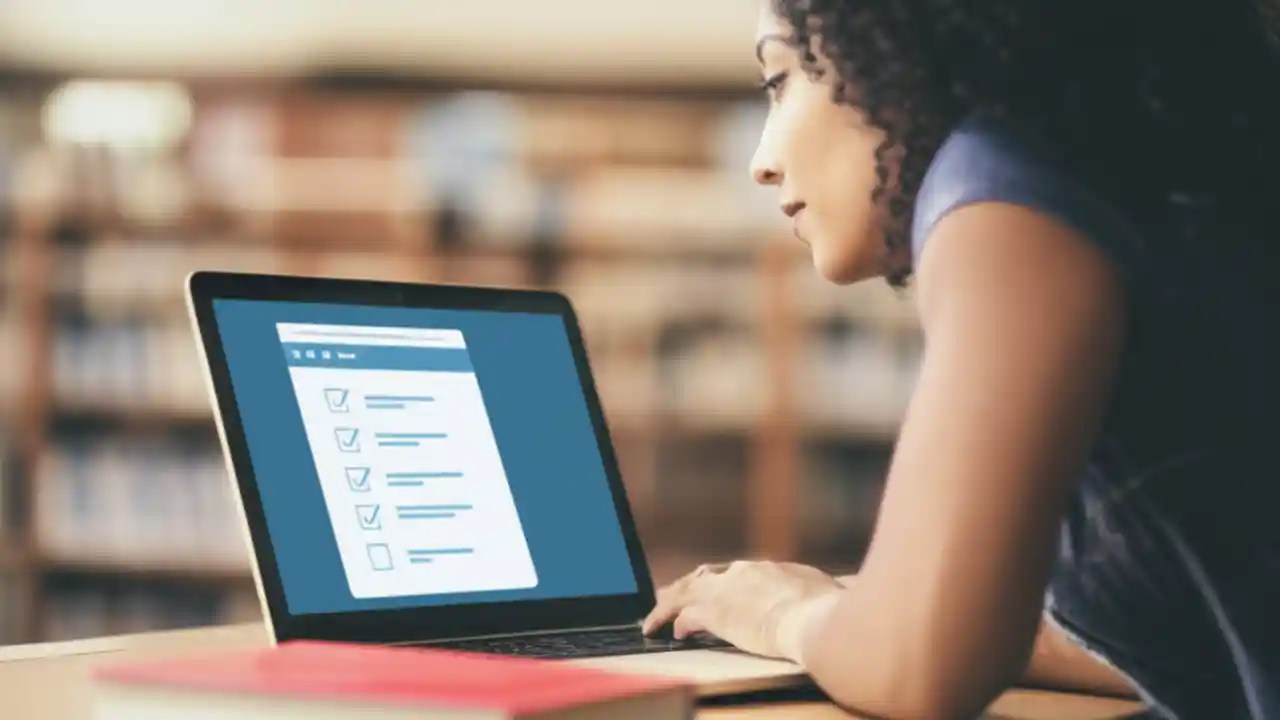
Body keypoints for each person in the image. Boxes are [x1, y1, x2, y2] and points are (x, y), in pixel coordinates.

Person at [641, 1, 1280, 717]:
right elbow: (1184, 633)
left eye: (779, 81)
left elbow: (919, 671)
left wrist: (780, 615)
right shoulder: (1157, 156)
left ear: (891, 49)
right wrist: (877, 610)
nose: (762, 163)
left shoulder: (1014, 182)